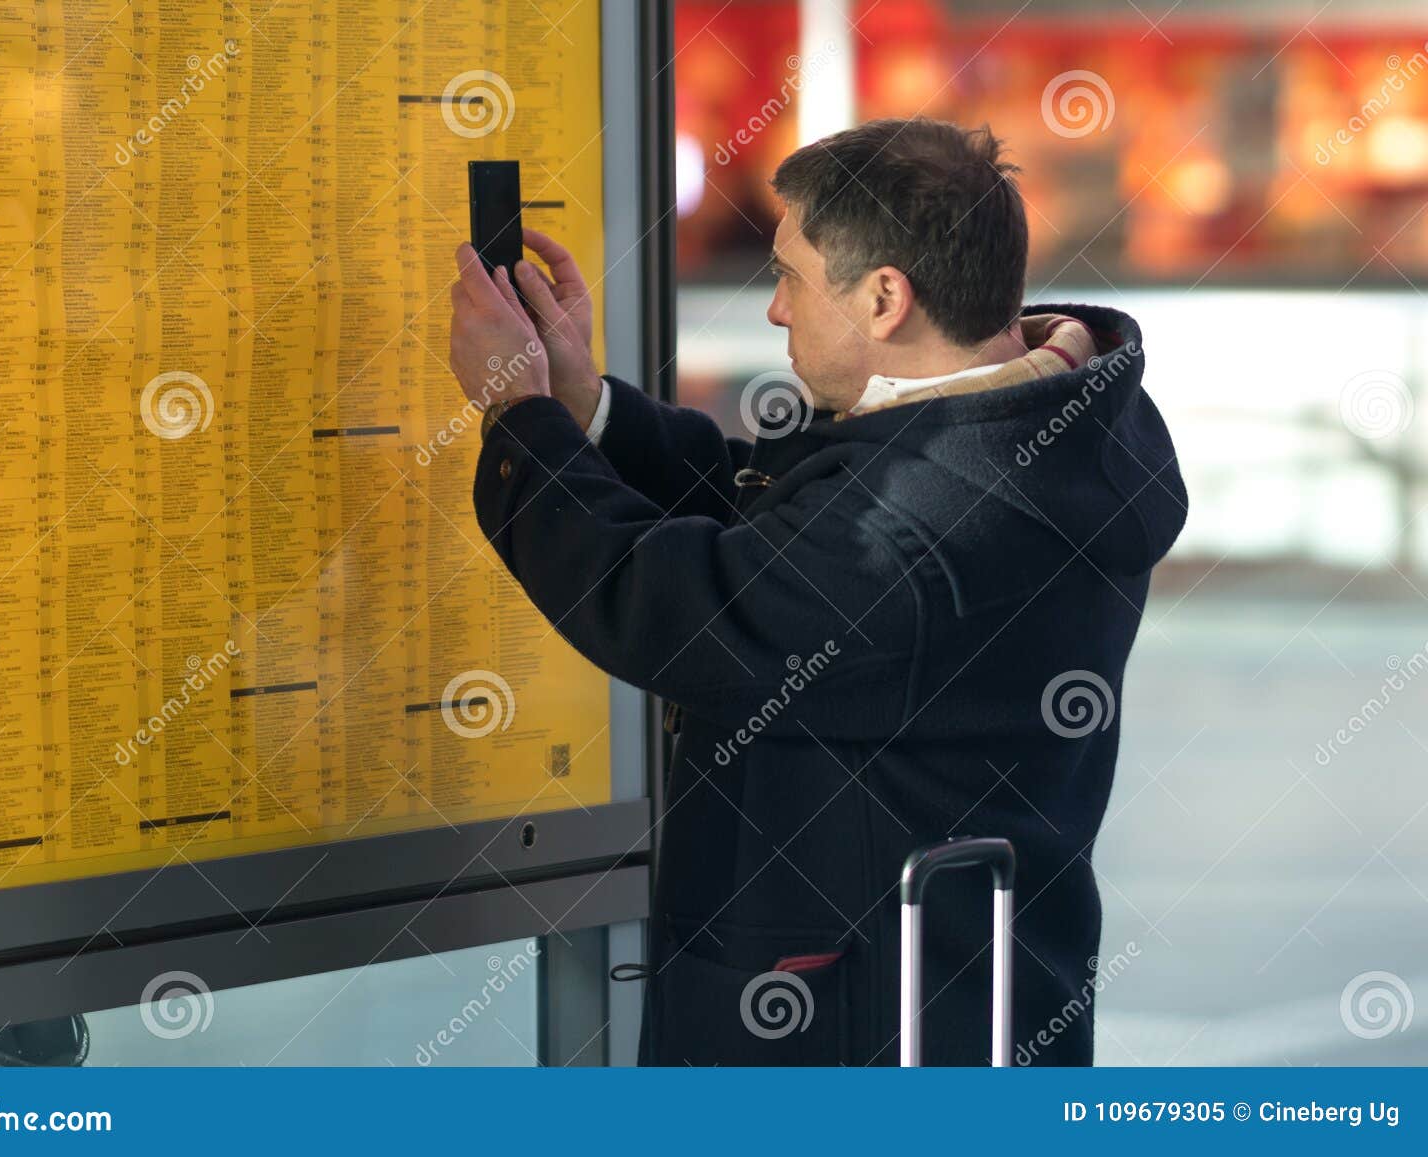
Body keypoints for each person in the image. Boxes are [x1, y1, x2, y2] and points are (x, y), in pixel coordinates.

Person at [447, 117, 1188, 1066]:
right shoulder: (1036, 428)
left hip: (852, 1031)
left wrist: (520, 418)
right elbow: (776, 521)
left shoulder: (925, 512)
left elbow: (680, 611)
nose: (775, 311)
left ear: (886, 297)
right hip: (958, 1000)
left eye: (789, 276)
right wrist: (588, 405)